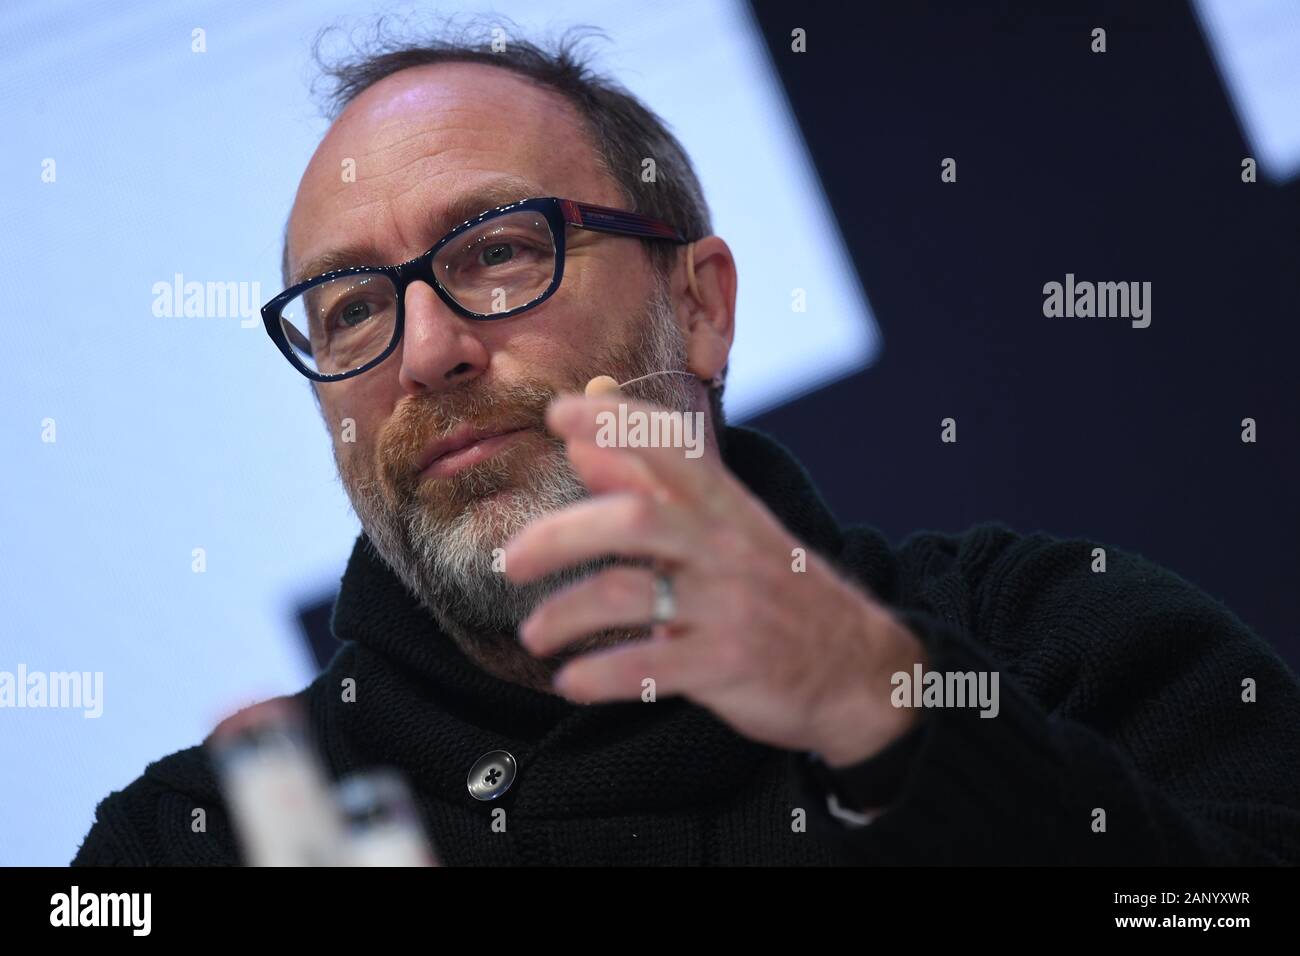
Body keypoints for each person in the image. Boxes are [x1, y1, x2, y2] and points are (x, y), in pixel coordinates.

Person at [73, 24, 1300, 865]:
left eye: (497, 249)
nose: (425, 349)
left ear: (700, 306)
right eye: (350, 308)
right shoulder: (198, 839)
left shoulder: (1046, 642)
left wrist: (892, 719)